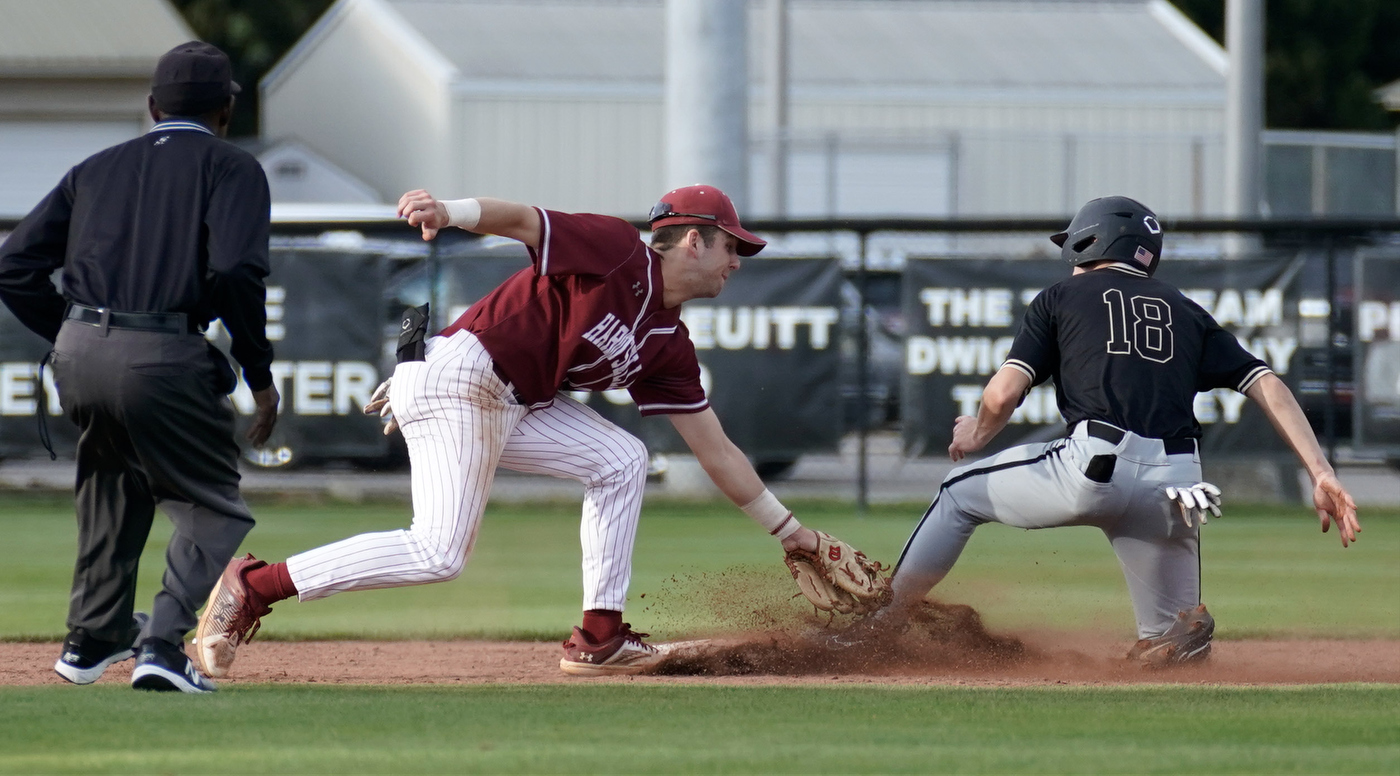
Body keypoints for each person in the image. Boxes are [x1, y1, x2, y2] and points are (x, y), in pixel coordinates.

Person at [195, 184, 881, 677]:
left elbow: (717, 449)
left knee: (622, 459)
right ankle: (255, 584)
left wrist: (792, 533)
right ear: (694, 239)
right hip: (467, 376)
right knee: (438, 552)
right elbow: (525, 220)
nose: (738, 261)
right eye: (733, 246)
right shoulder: (619, 251)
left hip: (507, 396)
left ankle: (600, 637)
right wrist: (449, 212)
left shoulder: (668, 345)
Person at [886, 196, 1360, 665]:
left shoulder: (1060, 297)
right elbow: (1266, 383)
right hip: (1177, 484)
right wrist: (1320, 473)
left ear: (1089, 243)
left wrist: (977, 434)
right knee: (1168, 640)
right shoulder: (1187, 310)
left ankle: (879, 625)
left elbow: (1000, 395)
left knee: (956, 492)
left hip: (1092, 466)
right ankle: (1172, 644)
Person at [0, 42, 280, 692]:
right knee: (214, 508)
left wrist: (73, 332)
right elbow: (235, 269)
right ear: (226, 110)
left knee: (112, 484)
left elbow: (12, 266)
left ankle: (93, 636)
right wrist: (258, 373)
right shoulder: (233, 167)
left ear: (153, 107)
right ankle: (162, 644)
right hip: (161, 351)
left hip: (77, 353)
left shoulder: (96, 167)